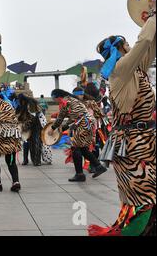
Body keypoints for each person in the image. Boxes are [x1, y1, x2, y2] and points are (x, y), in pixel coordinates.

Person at [89, 14, 156, 236]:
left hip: (145, 141)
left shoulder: (136, 70)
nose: (130, 45)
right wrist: (152, 17)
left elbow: (151, 44)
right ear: (119, 50)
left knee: (149, 198)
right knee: (146, 198)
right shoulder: (120, 70)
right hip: (133, 145)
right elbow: (144, 42)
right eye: (126, 43)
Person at [49, 89, 107, 182]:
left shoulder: (66, 101)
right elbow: (67, 117)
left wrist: (52, 128)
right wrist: (62, 128)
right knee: (83, 148)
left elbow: (64, 117)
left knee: (75, 147)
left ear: (58, 97)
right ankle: (98, 166)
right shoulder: (70, 100)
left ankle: (80, 174)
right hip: (87, 122)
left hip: (84, 123)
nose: (54, 101)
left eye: (54, 99)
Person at [15, 93, 42, 166]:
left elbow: (33, 118)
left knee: (36, 143)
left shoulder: (31, 104)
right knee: (26, 142)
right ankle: (25, 159)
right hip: (27, 126)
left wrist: (24, 126)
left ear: (22, 100)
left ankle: (36, 160)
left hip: (35, 126)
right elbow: (19, 116)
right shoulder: (23, 105)